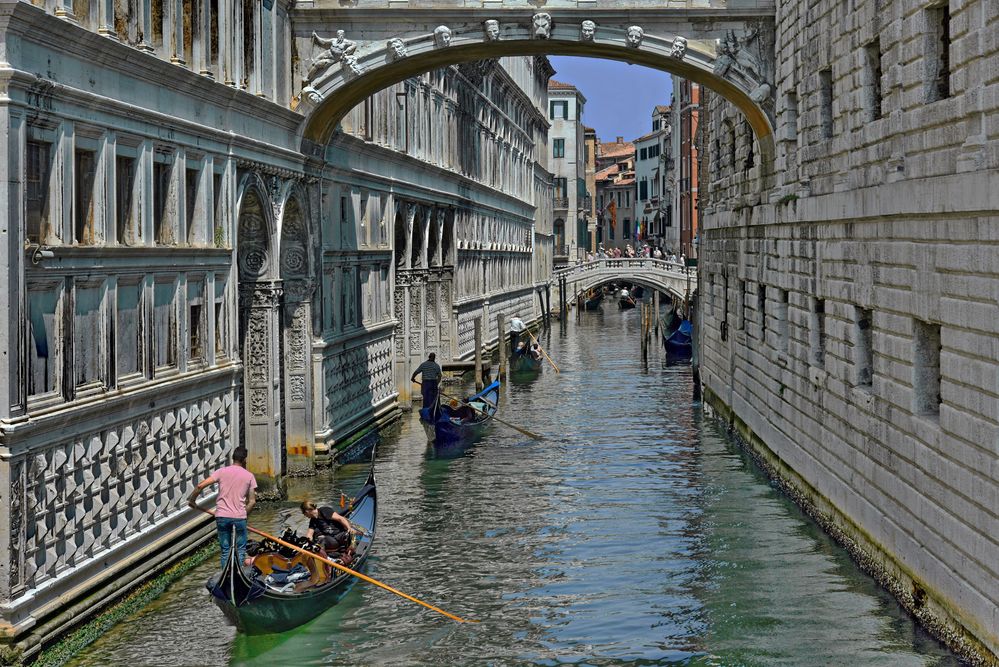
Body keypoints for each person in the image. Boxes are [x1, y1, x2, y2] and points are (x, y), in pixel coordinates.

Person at [188, 446, 257, 568]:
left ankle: (227, 576)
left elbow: (199, 486)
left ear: (233, 458)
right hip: (239, 517)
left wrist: (192, 500)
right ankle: (237, 574)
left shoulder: (221, 472)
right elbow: (252, 502)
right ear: (245, 460)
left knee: (225, 550)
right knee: (240, 550)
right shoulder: (249, 476)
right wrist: (243, 514)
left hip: (222, 517)